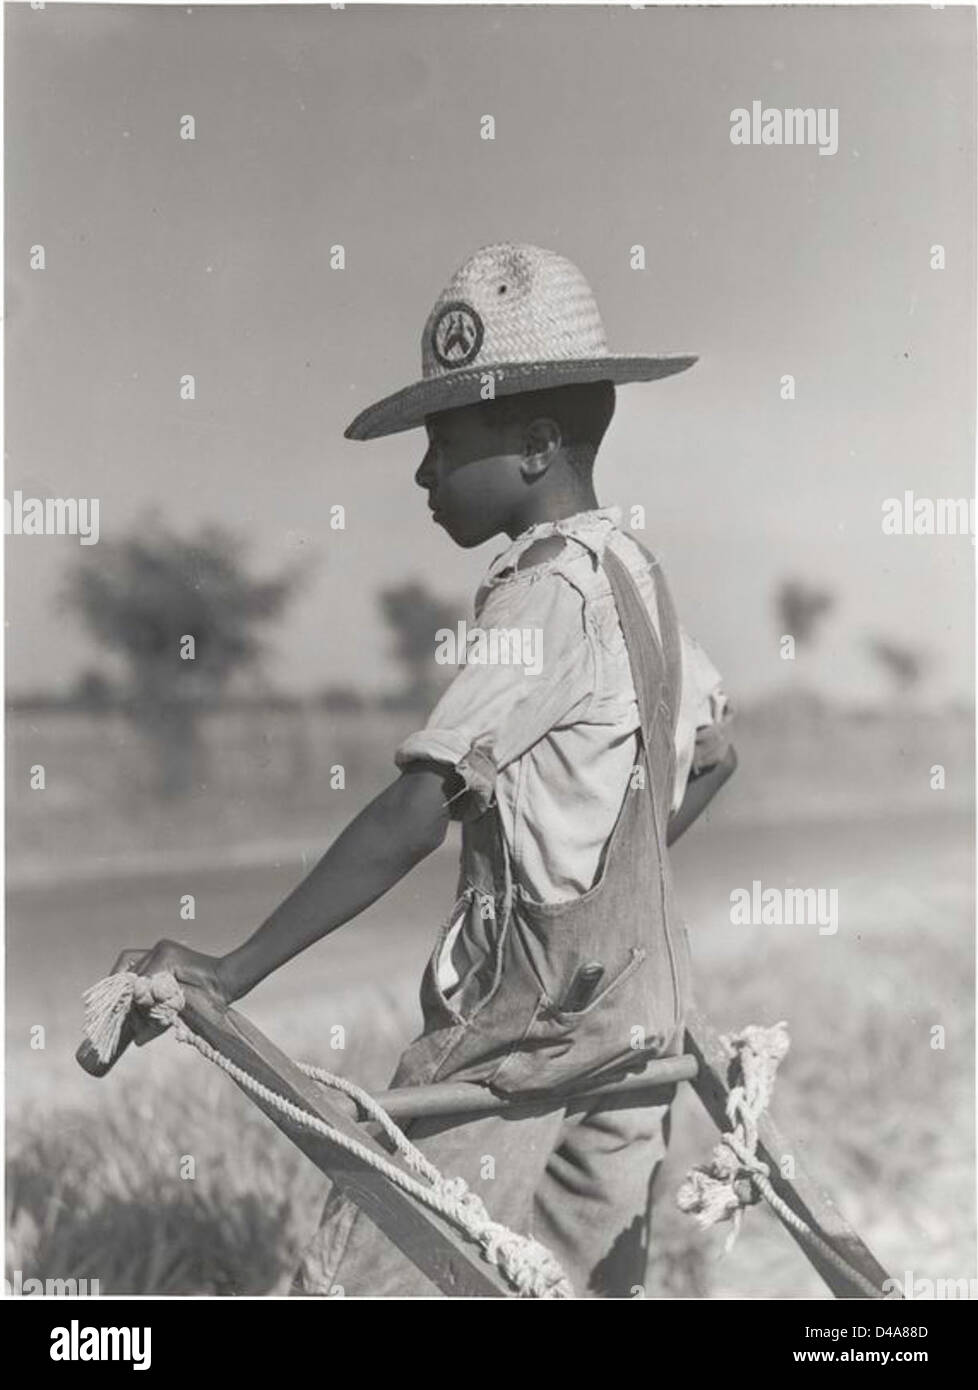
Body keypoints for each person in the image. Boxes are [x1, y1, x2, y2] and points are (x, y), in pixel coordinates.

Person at [134, 243, 736, 1298]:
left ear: (538, 442)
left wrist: (229, 970)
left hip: (524, 1041)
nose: (421, 473)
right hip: (638, 1023)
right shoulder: (634, 573)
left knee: (372, 1277)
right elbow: (717, 751)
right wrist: (606, 880)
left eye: (444, 441)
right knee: (588, 1283)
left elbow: (417, 810)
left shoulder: (544, 596)